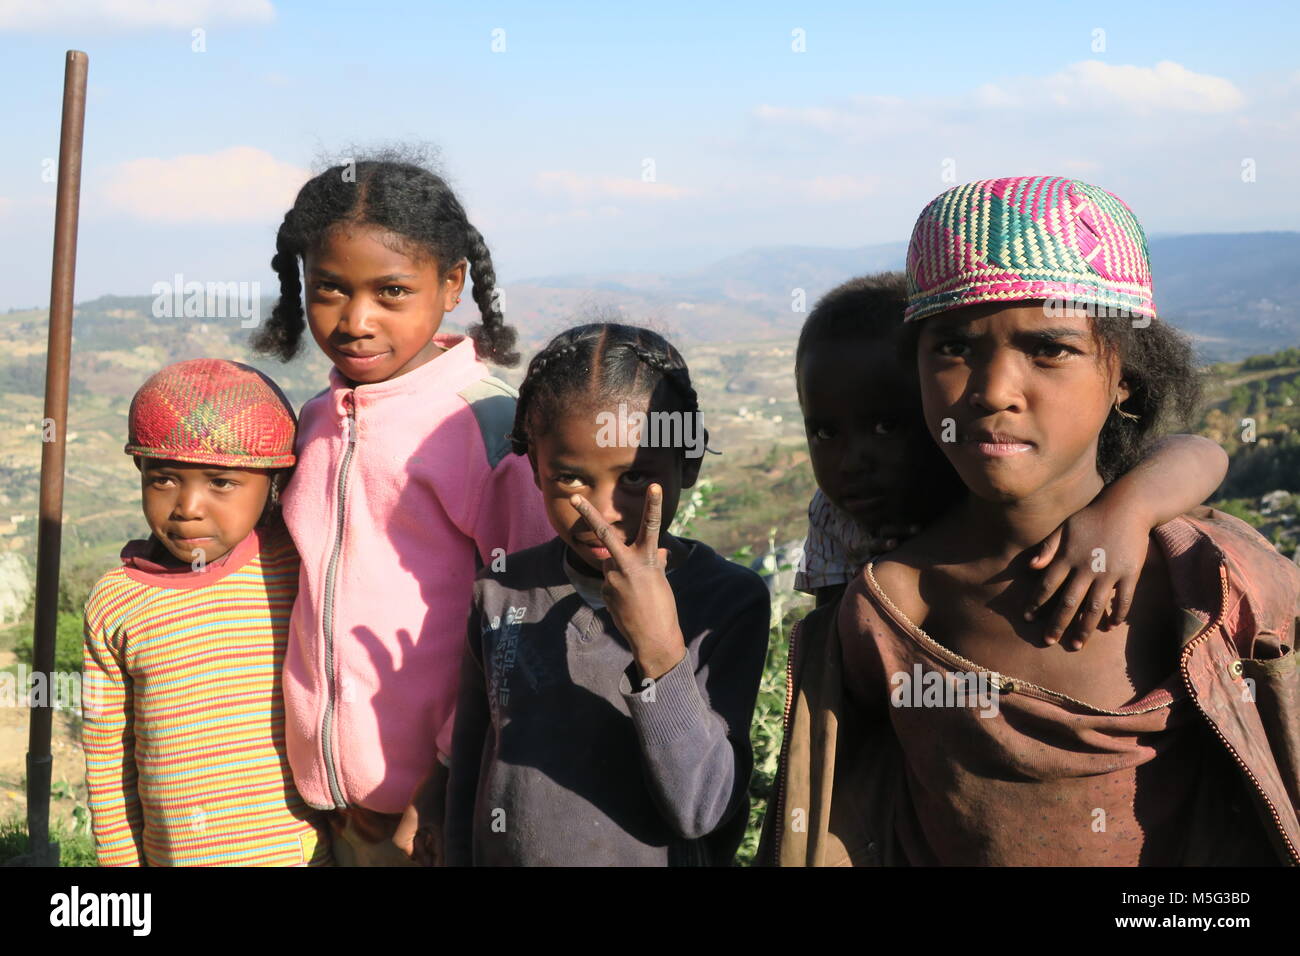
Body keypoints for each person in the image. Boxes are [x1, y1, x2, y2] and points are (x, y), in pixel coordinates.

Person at [764, 175, 1300, 866]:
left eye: (1049, 349)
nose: (992, 392)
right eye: (953, 348)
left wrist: (1128, 510)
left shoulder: (1209, 584)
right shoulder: (893, 606)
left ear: (1125, 377)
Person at [253, 153, 552, 865]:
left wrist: (447, 770)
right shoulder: (319, 419)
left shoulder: (489, 430)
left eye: (391, 291)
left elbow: (530, 614)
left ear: (451, 284)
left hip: (438, 807)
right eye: (329, 289)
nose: (357, 320)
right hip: (324, 800)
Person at [444, 323, 771, 866]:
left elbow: (701, 808)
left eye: (637, 478)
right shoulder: (499, 590)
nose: (605, 511)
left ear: (687, 465)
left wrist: (659, 647)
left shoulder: (727, 602)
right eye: (571, 481)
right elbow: (471, 769)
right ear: (535, 470)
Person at [82, 359, 332, 866]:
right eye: (164, 479)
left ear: (273, 484)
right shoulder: (115, 603)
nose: (188, 506)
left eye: (221, 482)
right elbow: (107, 756)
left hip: (296, 854)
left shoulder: (295, 565)